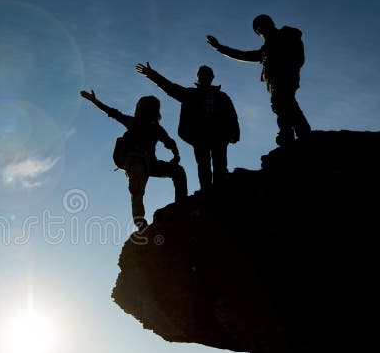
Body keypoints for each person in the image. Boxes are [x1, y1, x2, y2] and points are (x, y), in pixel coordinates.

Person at [80, 90, 187, 230]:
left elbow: (169, 142)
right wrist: (95, 101)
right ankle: (140, 222)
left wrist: (176, 155)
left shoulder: (152, 127)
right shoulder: (138, 123)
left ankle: (180, 205)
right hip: (136, 162)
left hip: (150, 163)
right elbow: (114, 113)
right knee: (138, 190)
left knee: (176, 172)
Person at [207, 14, 311, 147]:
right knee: (284, 105)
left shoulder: (286, 35)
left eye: (260, 29)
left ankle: (292, 133)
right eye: (258, 31)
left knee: (284, 103)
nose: (260, 32)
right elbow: (244, 55)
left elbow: (298, 57)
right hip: (276, 81)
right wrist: (220, 48)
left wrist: (288, 70)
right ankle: (292, 133)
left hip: (285, 77)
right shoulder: (266, 50)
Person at [136, 62, 239, 191]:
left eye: (207, 75)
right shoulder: (190, 94)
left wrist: (234, 134)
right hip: (200, 135)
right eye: (202, 75)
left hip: (219, 135)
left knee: (220, 165)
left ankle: (220, 191)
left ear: (211, 77)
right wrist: (152, 75)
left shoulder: (222, 96)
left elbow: (232, 115)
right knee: (204, 165)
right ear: (198, 78)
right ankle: (206, 192)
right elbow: (170, 88)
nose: (205, 77)